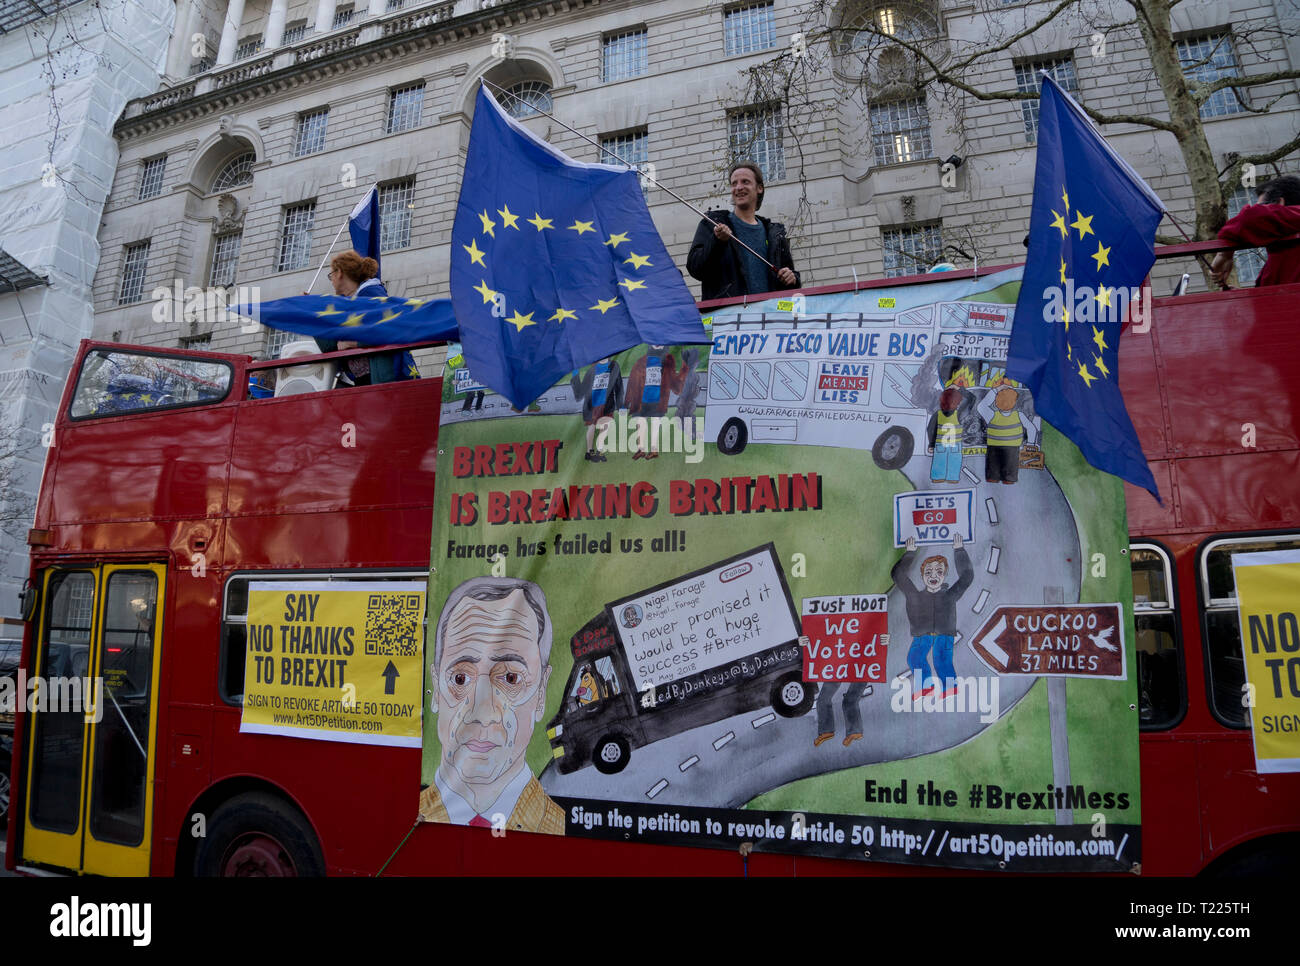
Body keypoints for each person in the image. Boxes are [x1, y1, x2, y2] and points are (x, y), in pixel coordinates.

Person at [419, 577, 565, 835]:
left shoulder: (561, 828)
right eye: (460, 678)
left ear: (541, 693)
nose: (482, 713)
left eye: (511, 678)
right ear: (435, 689)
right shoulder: (413, 818)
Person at [686, 162, 800, 300]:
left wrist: (792, 279)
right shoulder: (711, 223)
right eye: (734, 183)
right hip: (730, 317)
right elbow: (695, 268)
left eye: (745, 182)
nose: (739, 187)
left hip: (770, 316)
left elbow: (790, 280)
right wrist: (717, 241)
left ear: (759, 188)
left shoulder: (775, 234)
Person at [314, 250, 418, 385]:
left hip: (386, 379)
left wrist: (353, 343)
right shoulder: (346, 305)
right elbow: (330, 347)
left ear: (339, 273)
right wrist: (311, 313)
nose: (331, 281)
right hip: (363, 381)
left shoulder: (372, 295)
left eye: (331, 275)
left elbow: (388, 331)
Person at [891, 534, 974, 701]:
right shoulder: (915, 595)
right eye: (928, 572)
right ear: (922, 576)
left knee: (941, 660)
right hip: (922, 635)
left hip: (944, 634)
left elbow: (967, 577)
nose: (933, 575)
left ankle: (950, 687)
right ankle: (925, 686)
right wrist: (910, 553)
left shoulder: (950, 595)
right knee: (914, 658)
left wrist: (959, 551)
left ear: (944, 575)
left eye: (938, 571)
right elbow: (898, 575)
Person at [1211, 175, 1300, 287]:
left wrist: (1224, 254)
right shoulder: (1283, 244)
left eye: (1261, 206)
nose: (1256, 209)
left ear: (1279, 203)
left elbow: (1248, 218)